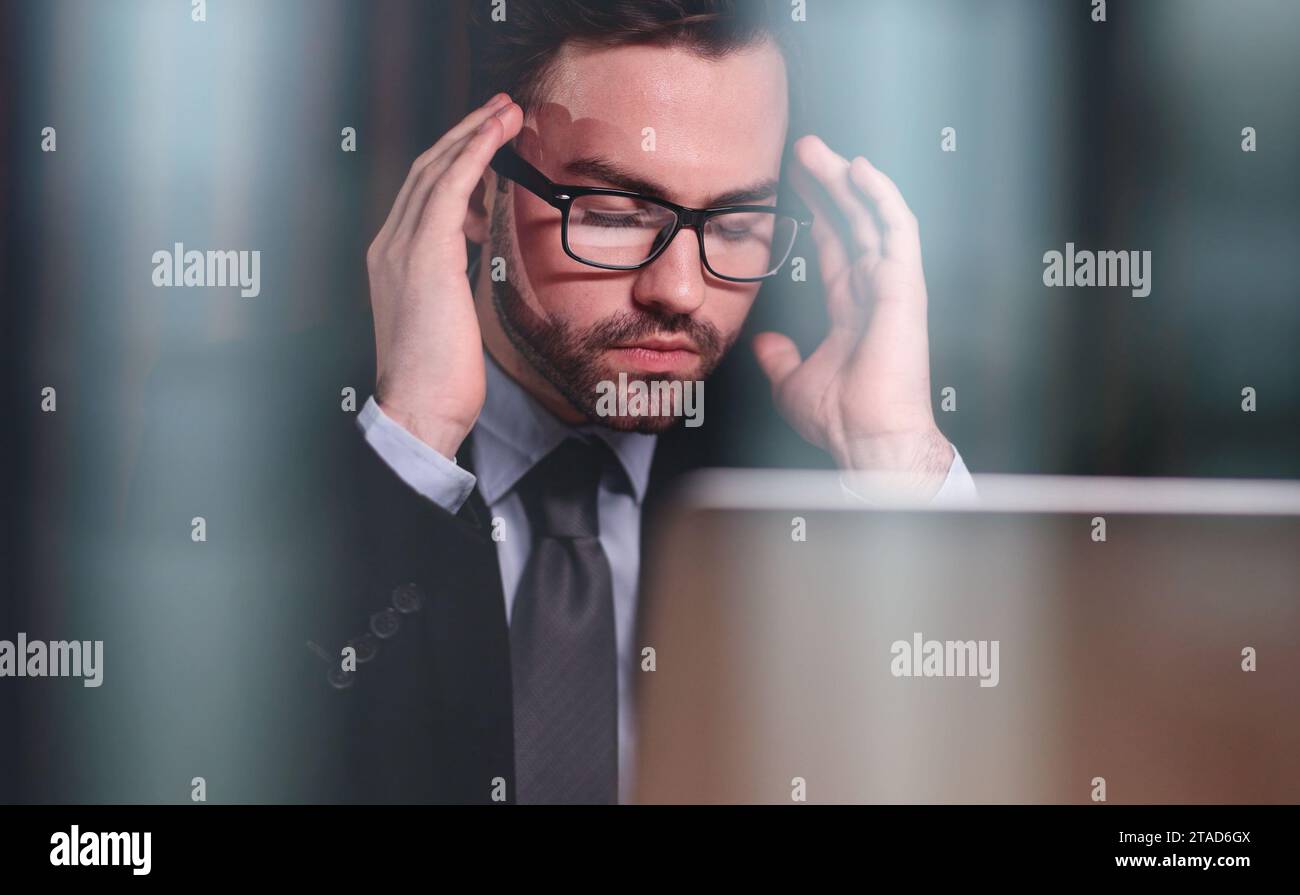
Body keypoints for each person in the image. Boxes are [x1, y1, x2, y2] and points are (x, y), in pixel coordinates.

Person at [130, 0, 975, 805]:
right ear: (476, 194)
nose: (679, 289)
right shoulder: (242, 454)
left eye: (734, 225)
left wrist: (898, 458)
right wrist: (412, 444)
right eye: (612, 213)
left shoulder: (798, 477)